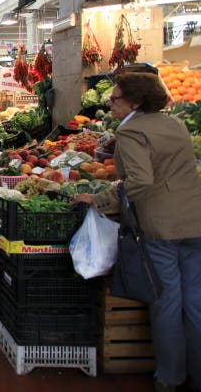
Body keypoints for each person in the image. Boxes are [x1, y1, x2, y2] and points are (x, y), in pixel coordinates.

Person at [71, 73, 201, 391]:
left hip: (161, 226)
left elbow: (140, 181)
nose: (110, 104)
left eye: (115, 98)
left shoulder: (131, 131)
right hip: (195, 221)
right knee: (195, 302)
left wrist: (100, 198)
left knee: (167, 300)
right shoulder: (175, 124)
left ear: (136, 101)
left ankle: (170, 377)